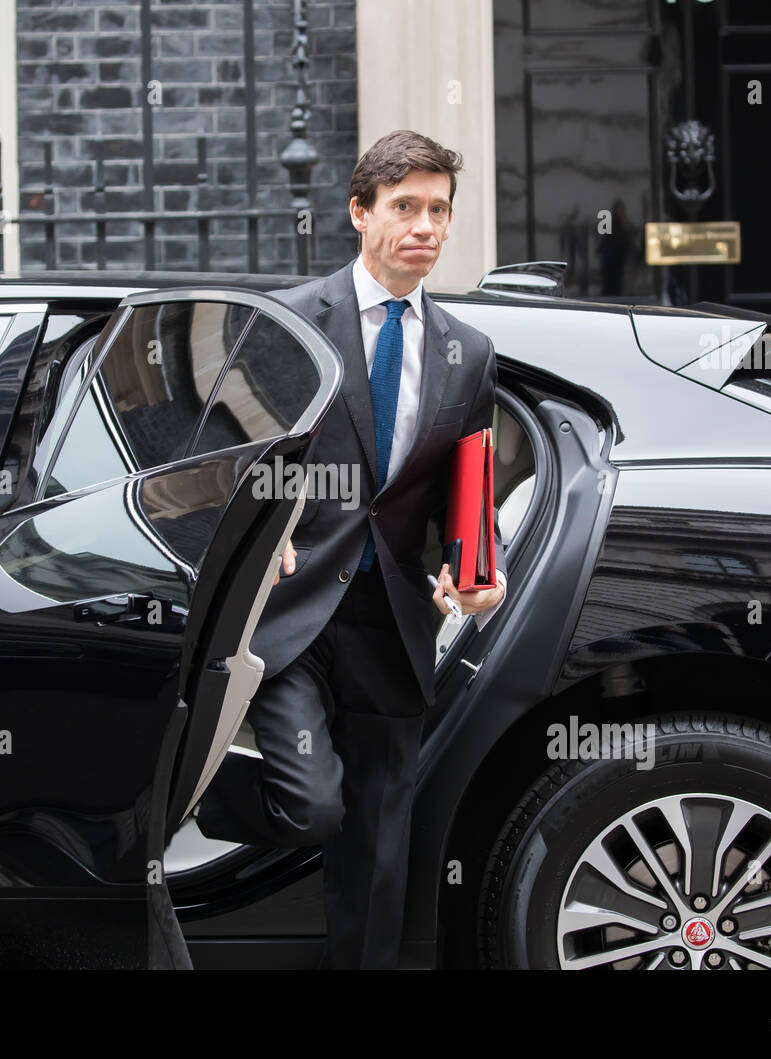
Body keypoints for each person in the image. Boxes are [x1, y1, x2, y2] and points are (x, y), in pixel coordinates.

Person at [194, 129, 507, 969]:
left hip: (393, 619)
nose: (426, 226)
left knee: (379, 848)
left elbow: (468, 489)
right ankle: (194, 801)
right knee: (318, 808)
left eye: (439, 210)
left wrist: (482, 567)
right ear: (360, 212)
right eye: (405, 206)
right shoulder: (292, 321)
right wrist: (263, 534)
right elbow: (234, 458)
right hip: (294, 615)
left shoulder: (467, 352)